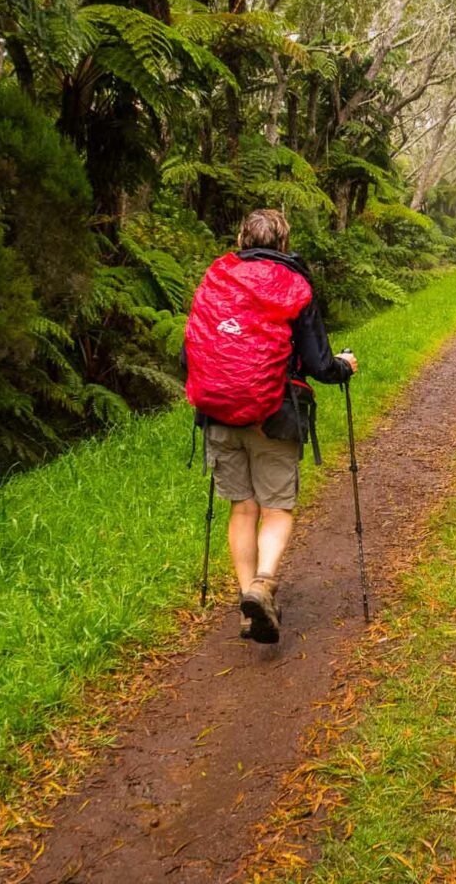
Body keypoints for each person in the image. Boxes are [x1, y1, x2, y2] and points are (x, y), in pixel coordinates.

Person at [184, 209, 357, 644]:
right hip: (274, 416)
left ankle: (248, 604)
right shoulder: (295, 285)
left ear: (241, 238)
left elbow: (190, 355)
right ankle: (262, 585)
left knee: (242, 508)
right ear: (283, 242)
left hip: (219, 415)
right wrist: (345, 367)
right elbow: (319, 364)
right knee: (276, 508)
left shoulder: (215, 282)